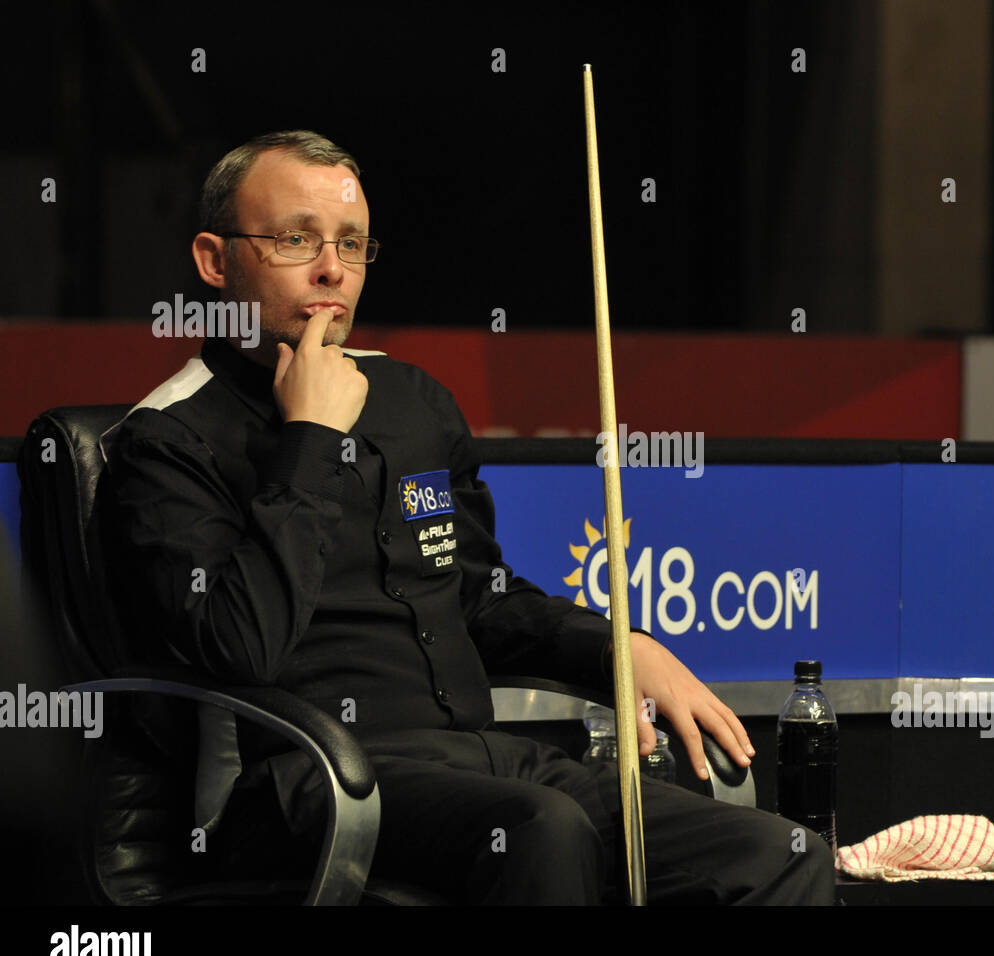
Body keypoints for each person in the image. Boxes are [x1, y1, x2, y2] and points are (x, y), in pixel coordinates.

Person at [103, 129, 835, 905]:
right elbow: (235, 646)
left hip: (477, 763)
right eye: (295, 239)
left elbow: (479, 598)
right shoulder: (166, 438)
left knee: (781, 852)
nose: (331, 270)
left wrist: (623, 652)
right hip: (301, 783)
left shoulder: (415, 403)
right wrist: (310, 439)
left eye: (351, 244)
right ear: (215, 261)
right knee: (543, 829)